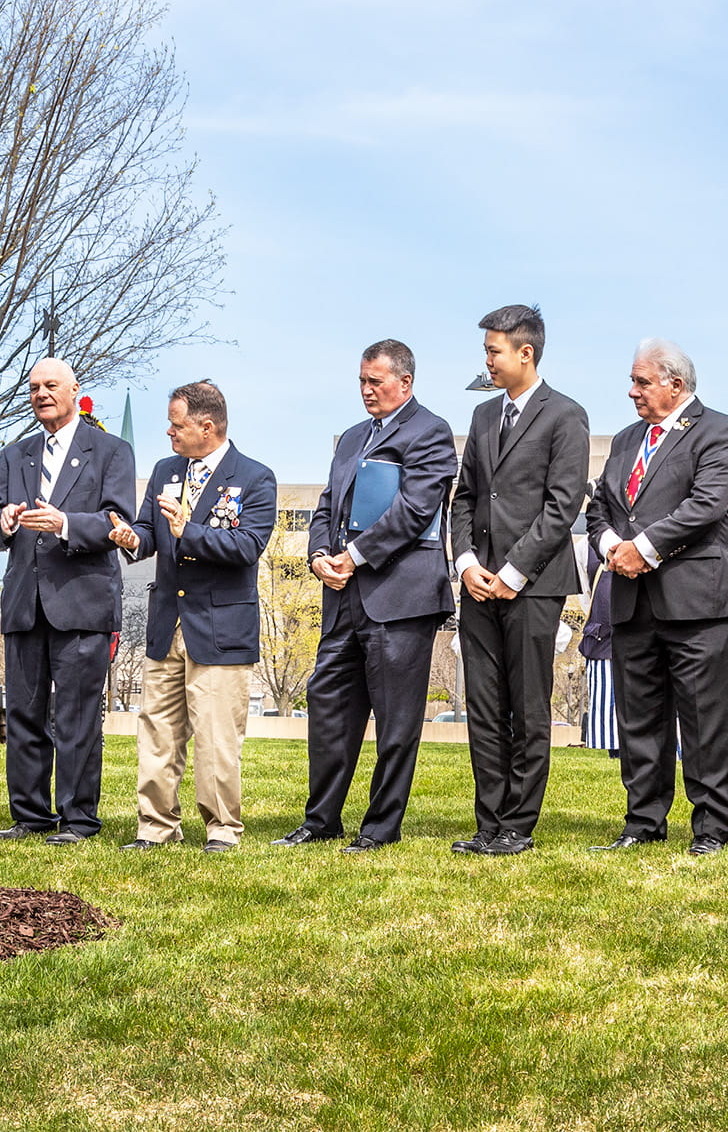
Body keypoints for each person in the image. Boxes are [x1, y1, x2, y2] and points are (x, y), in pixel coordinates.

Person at [274, 341, 457, 853]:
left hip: (401, 598)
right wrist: (318, 555)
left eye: (375, 381)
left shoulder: (430, 431)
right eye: (361, 380)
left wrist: (353, 556)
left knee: (396, 720)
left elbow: (415, 510)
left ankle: (380, 827)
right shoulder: (353, 437)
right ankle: (321, 821)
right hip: (342, 595)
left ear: (405, 382)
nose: (366, 389)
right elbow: (326, 506)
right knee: (328, 706)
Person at [585, 338, 728, 855]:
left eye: (641, 381)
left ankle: (711, 829)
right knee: (639, 719)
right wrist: (612, 547)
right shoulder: (626, 439)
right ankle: (643, 822)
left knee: (705, 721)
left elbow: (706, 504)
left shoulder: (721, 431)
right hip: (632, 600)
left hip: (697, 602)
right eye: (632, 381)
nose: (632, 391)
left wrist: (644, 549)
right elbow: (599, 507)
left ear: (675, 384)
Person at [448, 305, 590, 857]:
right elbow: (464, 496)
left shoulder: (566, 415)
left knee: (528, 707)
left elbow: (562, 505)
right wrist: (466, 562)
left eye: (494, 351)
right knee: (484, 706)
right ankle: (488, 823)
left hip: (534, 585)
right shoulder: (484, 414)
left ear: (525, 352)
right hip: (477, 584)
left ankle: (518, 826)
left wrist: (513, 571)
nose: (486, 360)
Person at [110, 381, 276, 853]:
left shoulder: (255, 477)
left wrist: (189, 530)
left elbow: (248, 547)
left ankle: (222, 829)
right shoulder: (165, 470)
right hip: (166, 623)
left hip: (221, 629)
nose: (169, 432)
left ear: (207, 427)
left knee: (217, 738)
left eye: (176, 425)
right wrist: (132, 538)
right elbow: (149, 531)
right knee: (157, 732)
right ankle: (155, 826)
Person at [0, 358, 135, 845]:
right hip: (25, 604)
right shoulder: (15, 455)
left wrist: (65, 523)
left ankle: (79, 819)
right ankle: (30, 815)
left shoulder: (111, 451)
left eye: (50, 386)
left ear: (73, 390)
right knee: (24, 714)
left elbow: (119, 521)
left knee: (76, 717)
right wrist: (3, 523)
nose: (41, 394)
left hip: (82, 604)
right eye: (34, 388)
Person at [578, 546, 621, 759]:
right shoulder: (584, 548)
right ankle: (613, 752)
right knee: (608, 707)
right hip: (603, 640)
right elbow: (586, 596)